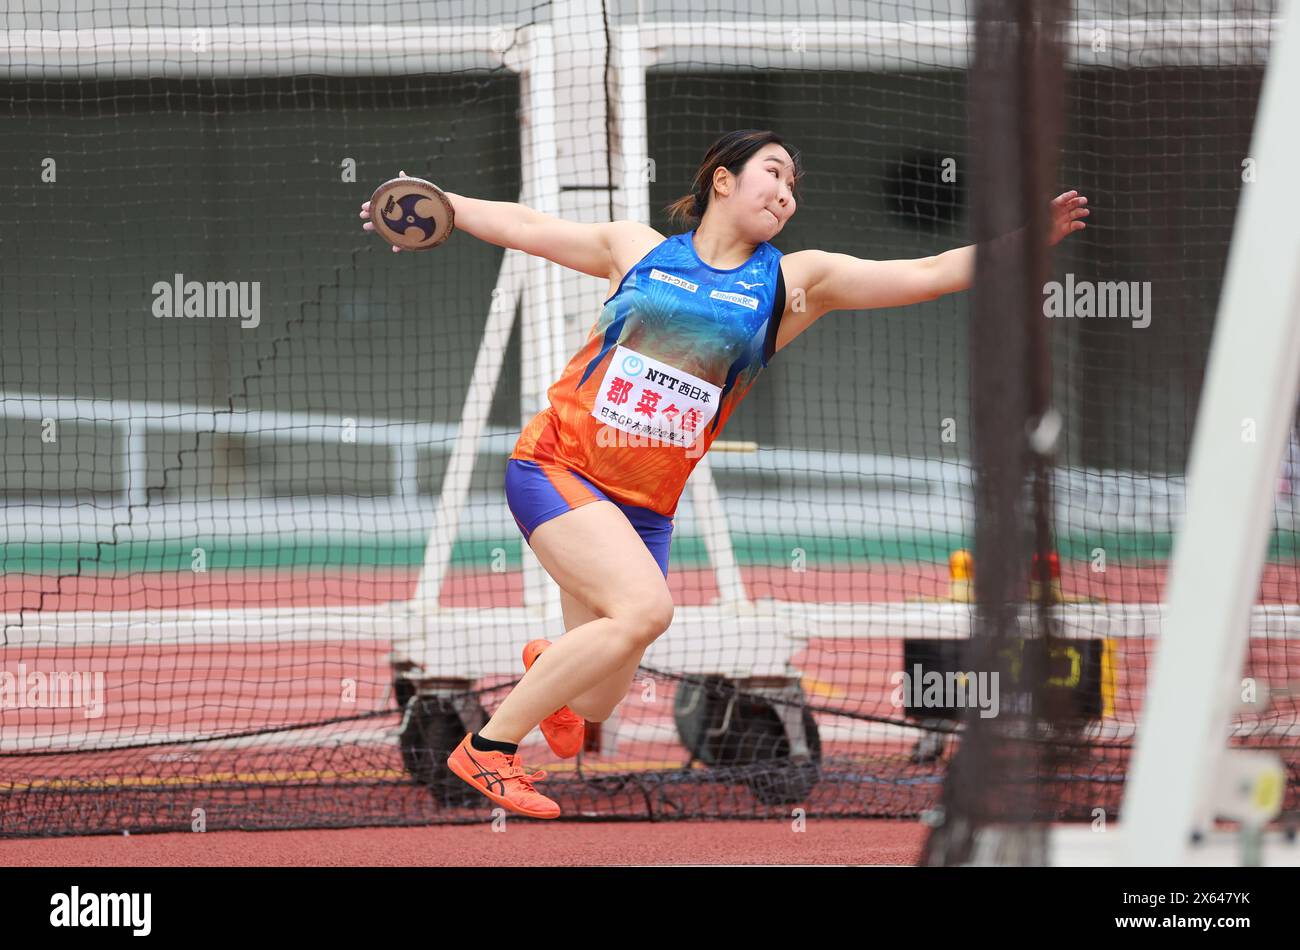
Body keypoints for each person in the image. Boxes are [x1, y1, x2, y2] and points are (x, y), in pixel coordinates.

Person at [360, 129, 1089, 819]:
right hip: (558, 464)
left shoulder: (795, 282)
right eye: (773, 172)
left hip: (645, 509)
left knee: (595, 703)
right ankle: (489, 749)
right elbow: (527, 226)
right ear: (722, 180)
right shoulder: (635, 249)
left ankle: (551, 666)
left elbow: (925, 275)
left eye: (794, 186)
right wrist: (442, 205)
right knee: (645, 612)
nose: (786, 193)